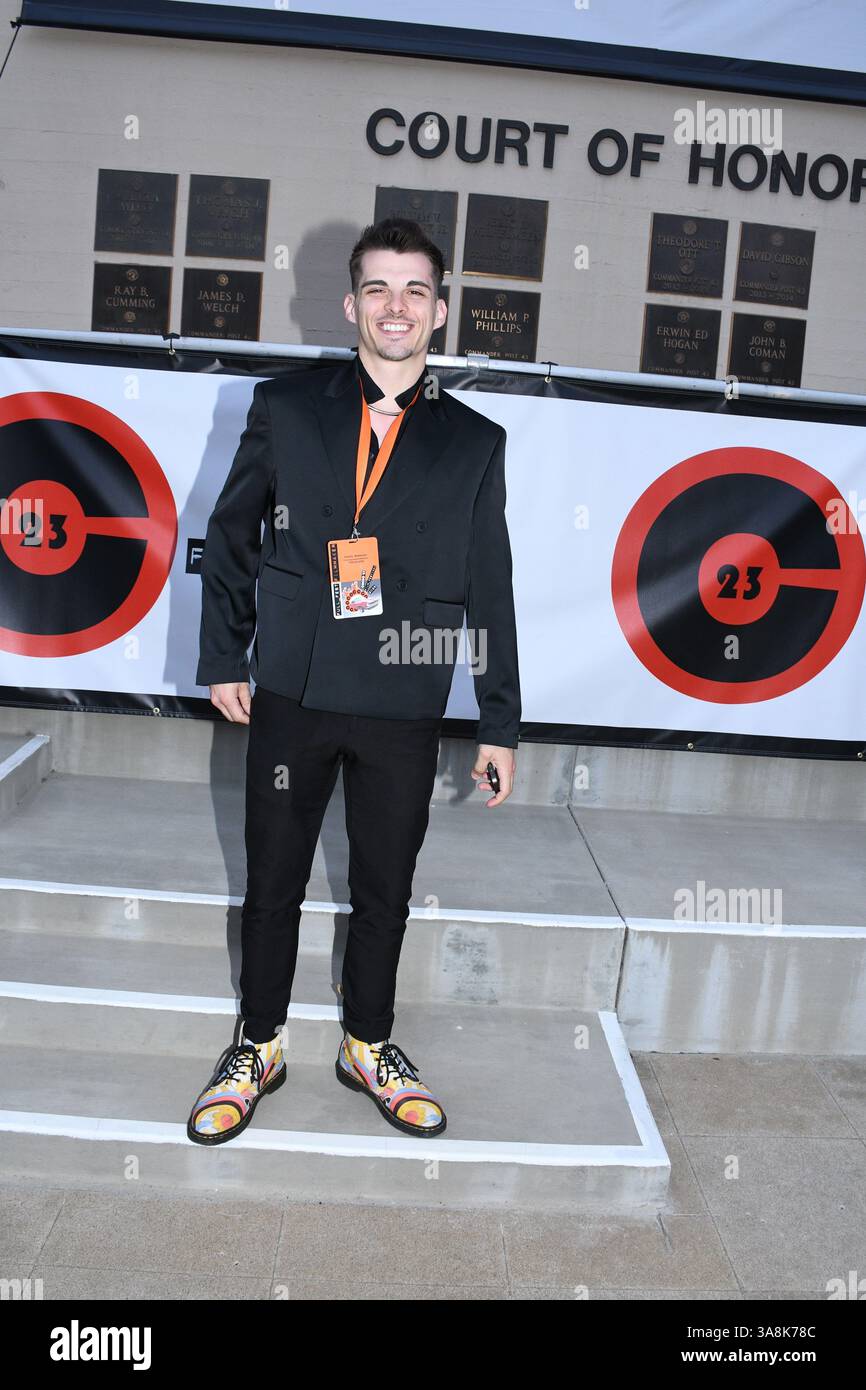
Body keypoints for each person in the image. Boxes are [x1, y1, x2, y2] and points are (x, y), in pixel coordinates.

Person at [187, 216, 521, 1146]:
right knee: (274, 883)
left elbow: (491, 586)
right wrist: (224, 657)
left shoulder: (475, 441)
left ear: (441, 309)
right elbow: (232, 537)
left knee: (384, 887)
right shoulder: (287, 407)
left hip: (402, 700)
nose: (396, 307)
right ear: (351, 304)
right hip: (291, 687)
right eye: (379, 288)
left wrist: (500, 722)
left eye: (415, 290)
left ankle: (368, 1042)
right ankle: (259, 1042)